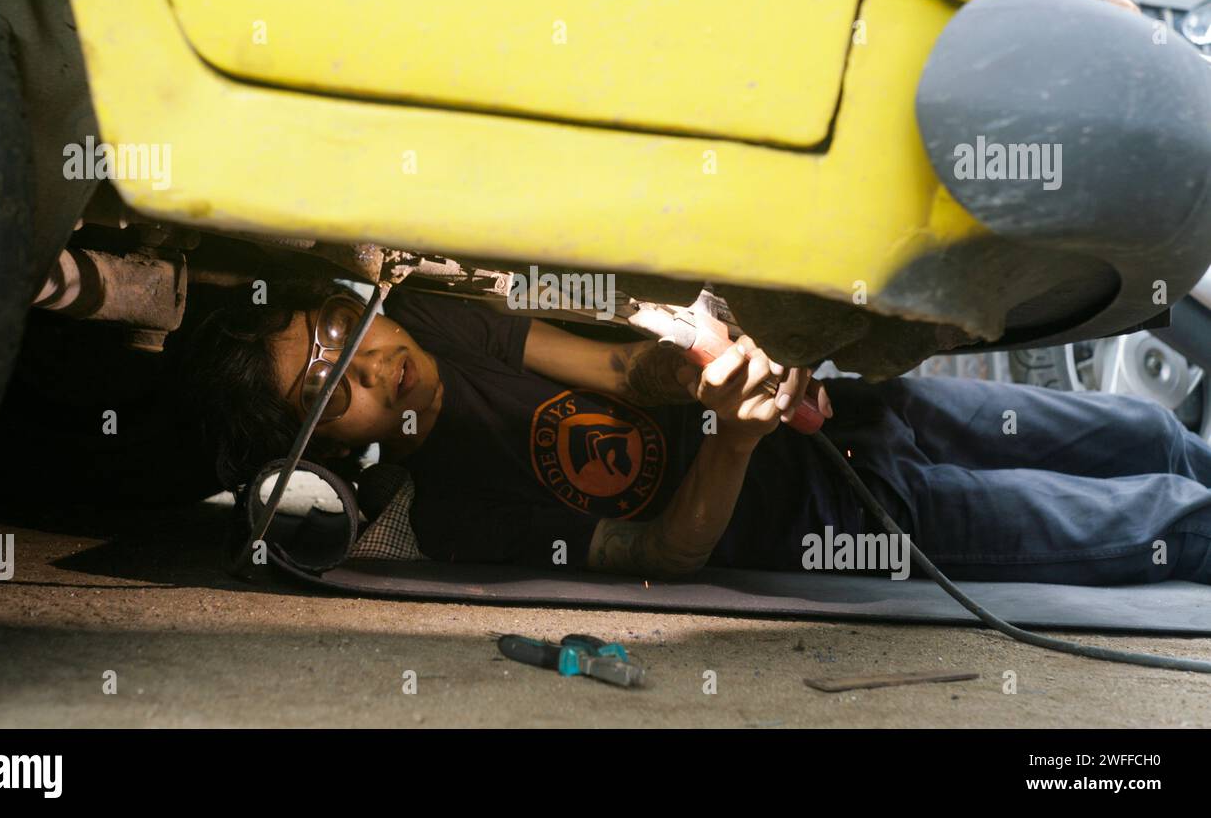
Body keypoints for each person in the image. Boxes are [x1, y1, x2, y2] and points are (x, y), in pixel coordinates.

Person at [186, 281, 1211, 585]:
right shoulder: (456, 517)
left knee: (1141, 433)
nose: (369, 364)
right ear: (321, 444)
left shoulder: (438, 323)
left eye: (340, 333)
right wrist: (729, 441)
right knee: (1157, 519)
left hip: (845, 410)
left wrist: (700, 364)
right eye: (331, 388)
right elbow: (663, 552)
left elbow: (615, 367)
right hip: (825, 512)